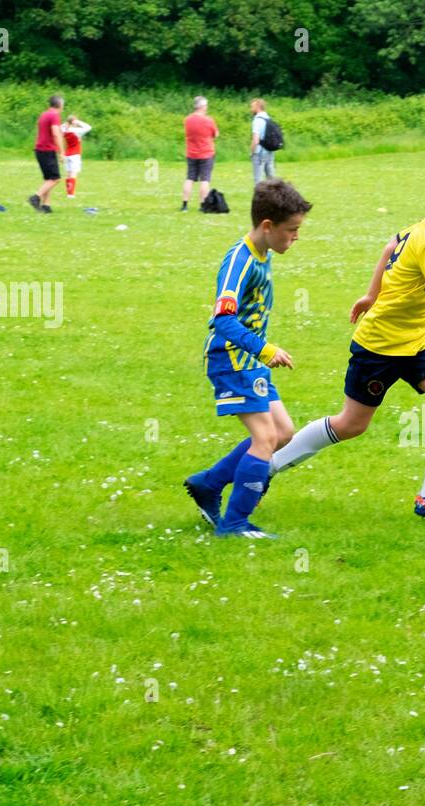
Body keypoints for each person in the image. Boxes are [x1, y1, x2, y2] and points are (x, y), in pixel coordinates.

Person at [264, 169, 425, 522]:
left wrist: (370, 294)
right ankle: (264, 469)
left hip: (414, 344)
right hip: (379, 348)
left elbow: (390, 246)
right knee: (350, 425)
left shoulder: (423, 229)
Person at [183, 178, 313, 539]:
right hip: (232, 359)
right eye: (292, 230)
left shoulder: (263, 251)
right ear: (268, 226)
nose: (296, 237)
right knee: (265, 439)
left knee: (283, 433)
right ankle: (235, 524)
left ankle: (209, 483)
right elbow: (222, 319)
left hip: (249, 360)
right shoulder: (239, 261)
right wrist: (265, 349)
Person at [28, 94, 65, 214]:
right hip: (47, 150)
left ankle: (46, 206)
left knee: (48, 179)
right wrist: (61, 152)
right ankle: (35, 197)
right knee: (56, 178)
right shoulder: (55, 115)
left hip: (39, 150)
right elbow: (55, 133)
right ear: (60, 105)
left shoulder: (44, 114)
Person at [182, 96, 218, 212]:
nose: (207, 108)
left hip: (191, 153)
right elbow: (215, 134)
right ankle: (203, 206)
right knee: (205, 180)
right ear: (202, 107)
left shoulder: (187, 119)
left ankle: (185, 205)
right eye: (206, 106)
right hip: (206, 153)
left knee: (190, 178)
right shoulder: (208, 120)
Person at [61, 114, 91, 199]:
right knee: (73, 173)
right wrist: (78, 122)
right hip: (75, 155)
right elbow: (88, 127)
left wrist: (67, 123)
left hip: (67, 154)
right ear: (74, 122)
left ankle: (68, 193)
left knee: (68, 174)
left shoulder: (64, 130)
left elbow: (61, 126)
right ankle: (71, 194)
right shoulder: (76, 131)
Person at [250, 99, 277, 185]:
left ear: (258, 107)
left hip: (259, 153)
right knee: (271, 178)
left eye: (252, 107)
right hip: (269, 151)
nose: (251, 109)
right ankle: (275, 196)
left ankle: (259, 197)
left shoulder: (257, 120)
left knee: (258, 180)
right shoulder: (268, 118)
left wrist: (252, 152)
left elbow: (256, 140)